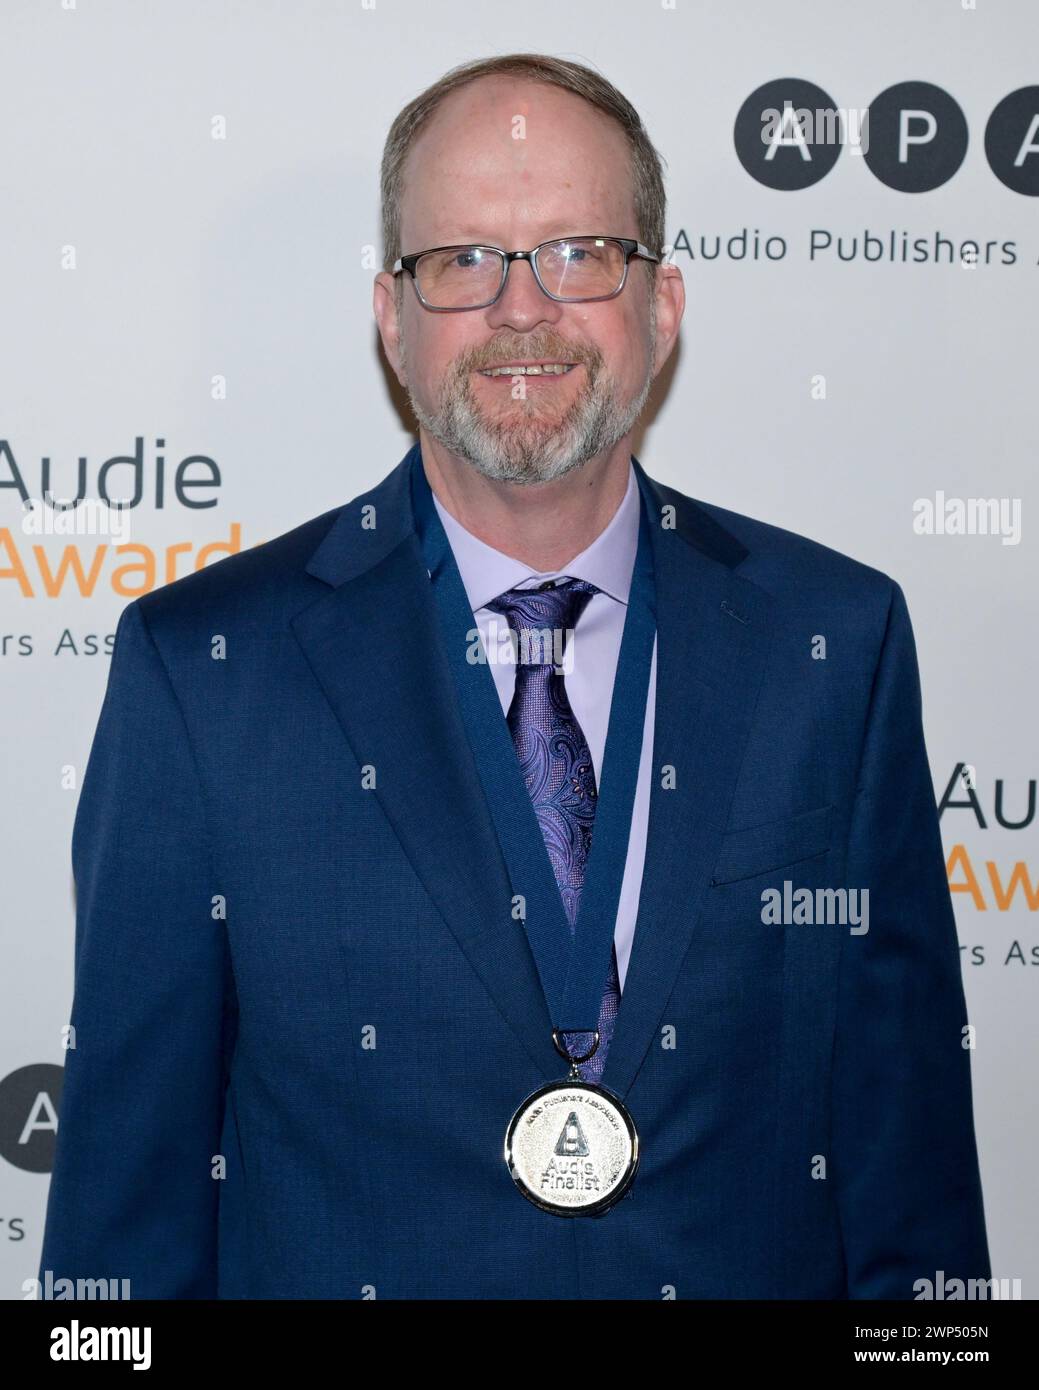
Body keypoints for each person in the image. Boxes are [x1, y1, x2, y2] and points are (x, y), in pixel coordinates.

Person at [38, 52, 990, 1299]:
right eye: (464, 260)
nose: (521, 308)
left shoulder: (834, 642)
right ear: (391, 314)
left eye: (580, 251)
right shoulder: (203, 669)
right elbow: (126, 1224)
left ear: (663, 303)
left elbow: (906, 1170)